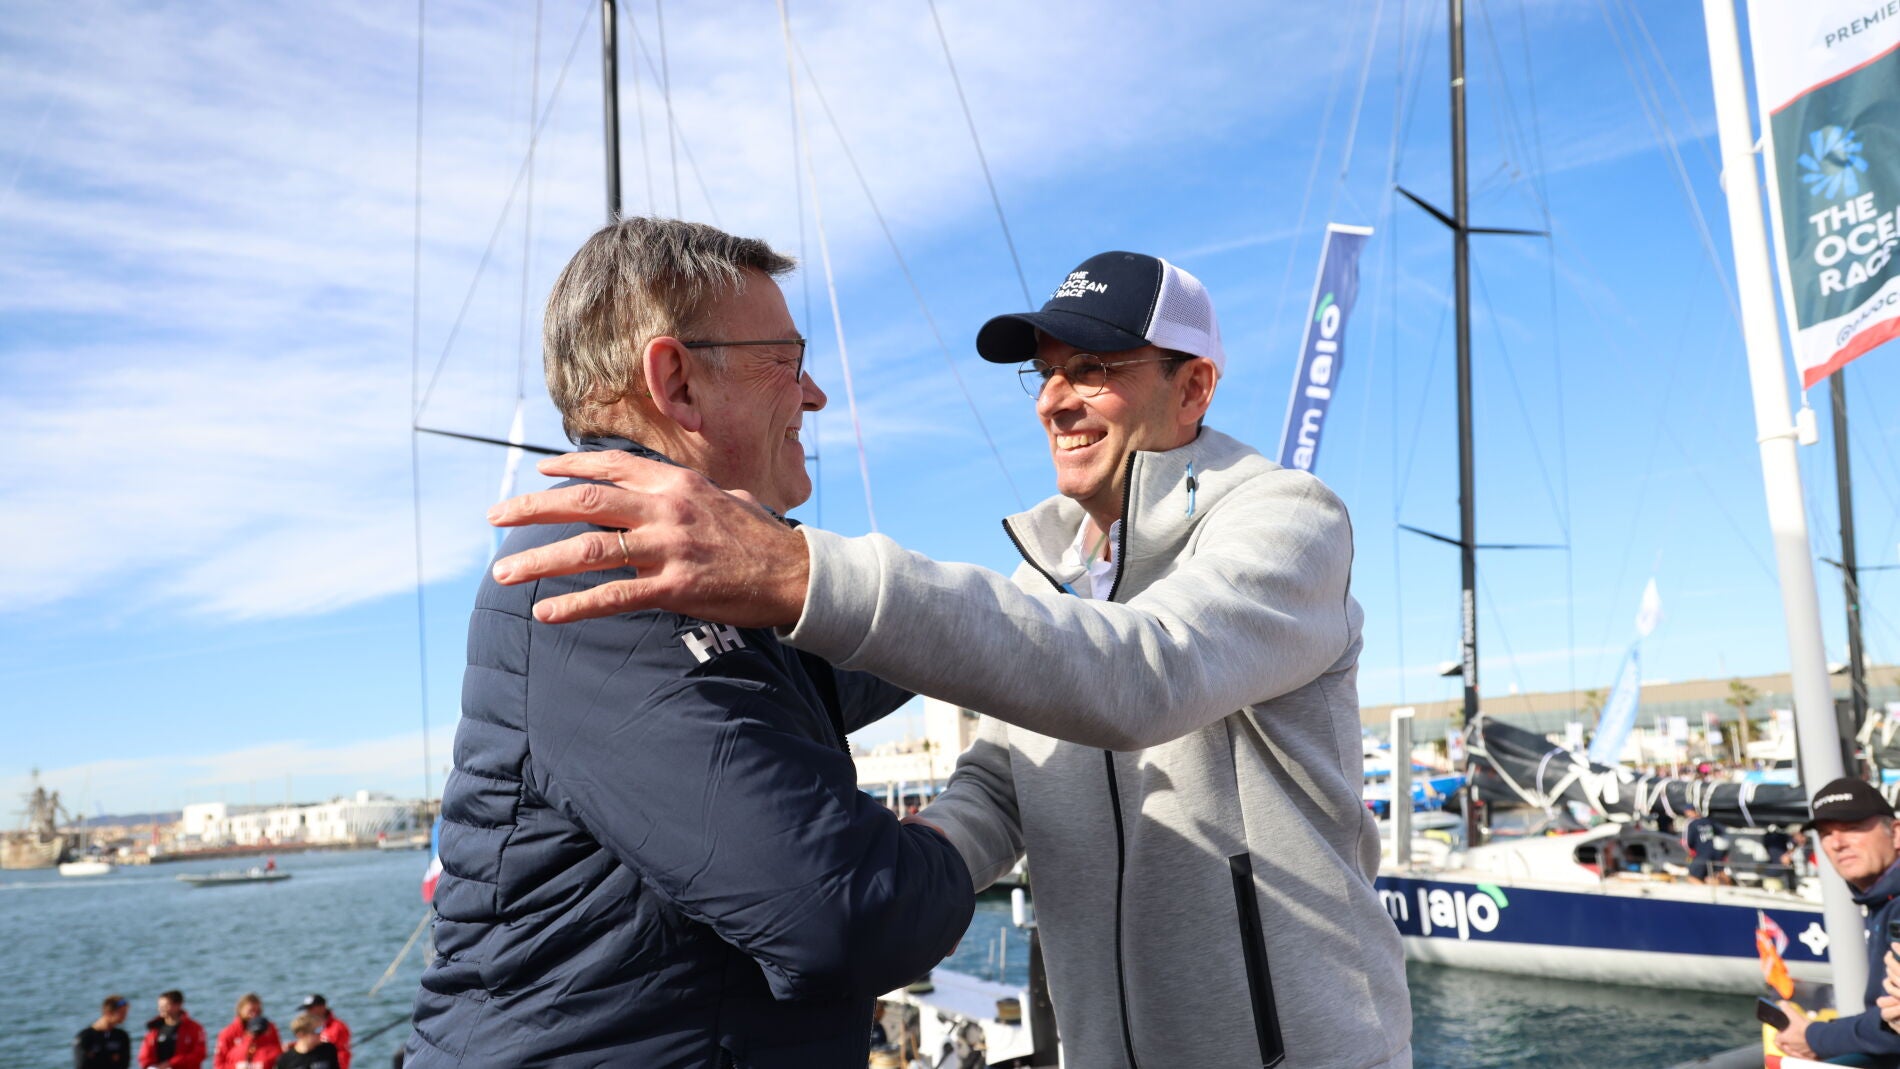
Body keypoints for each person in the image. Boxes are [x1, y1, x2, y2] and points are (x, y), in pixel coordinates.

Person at [488, 249, 1413, 1067]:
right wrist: (905, 871)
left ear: (1195, 387)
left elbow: (1147, 673)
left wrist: (795, 567)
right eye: (1047, 373)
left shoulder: (1285, 519)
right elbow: (1006, 779)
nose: (1054, 399)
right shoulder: (1046, 572)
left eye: (1093, 369)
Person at [405, 218, 973, 1068]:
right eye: (786, 359)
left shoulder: (714, 591)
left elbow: (877, 651)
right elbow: (843, 911)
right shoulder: (599, 577)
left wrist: (1061, 604)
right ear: (676, 383)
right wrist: (986, 811)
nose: (814, 395)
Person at [1775, 777, 1900, 1062]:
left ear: (1896, 834)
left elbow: (1891, 1027)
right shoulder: (1883, 900)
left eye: (1852, 828)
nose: (1837, 843)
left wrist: (1813, 1037)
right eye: (1825, 833)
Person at [140, 990, 206, 1069]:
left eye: (165, 1006)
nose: (161, 1009)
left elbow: (199, 1054)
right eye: (160, 1006)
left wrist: (171, 1063)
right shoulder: (154, 1029)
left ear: (178, 1005)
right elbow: (144, 1056)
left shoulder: (194, 1028)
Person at [213, 995, 281, 1069]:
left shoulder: (269, 1028)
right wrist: (237, 1066)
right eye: (250, 1011)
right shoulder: (228, 1033)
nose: (254, 1014)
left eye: (258, 1011)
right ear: (240, 1010)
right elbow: (219, 1065)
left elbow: (278, 1052)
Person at [75, 994, 132, 1069]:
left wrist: (97, 1056)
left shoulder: (122, 1036)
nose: (125, 1016)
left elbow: (124, 1064)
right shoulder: (85, 1037)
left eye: (125, 1013)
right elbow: (82, 1065)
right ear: (109, 1013)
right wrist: (110, 1057)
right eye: (122, 1013)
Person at [1680, 804, 1730, 884]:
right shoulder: (1709, 821)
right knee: (1714, 875)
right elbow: (1721, 832)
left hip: (1702, 854)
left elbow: (1687, 842)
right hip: (1715, 853)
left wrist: (1690, 852)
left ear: (1688, 812)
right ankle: (1722, 891)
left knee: (1692, 877)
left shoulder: (1691, 823)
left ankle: (1704, 892)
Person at [293, 998, 345, 1069]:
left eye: (310, 1008)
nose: (308, 1012)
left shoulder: (337, 1027)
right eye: (307, 1009)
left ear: (321, 1007)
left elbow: (340, 1053)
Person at [273, 1016, 339, 1069]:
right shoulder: (285, 1060)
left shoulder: (328, 1049)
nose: (321, 1033)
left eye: (321, 1029)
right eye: (316, 1031)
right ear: (301, 1035)